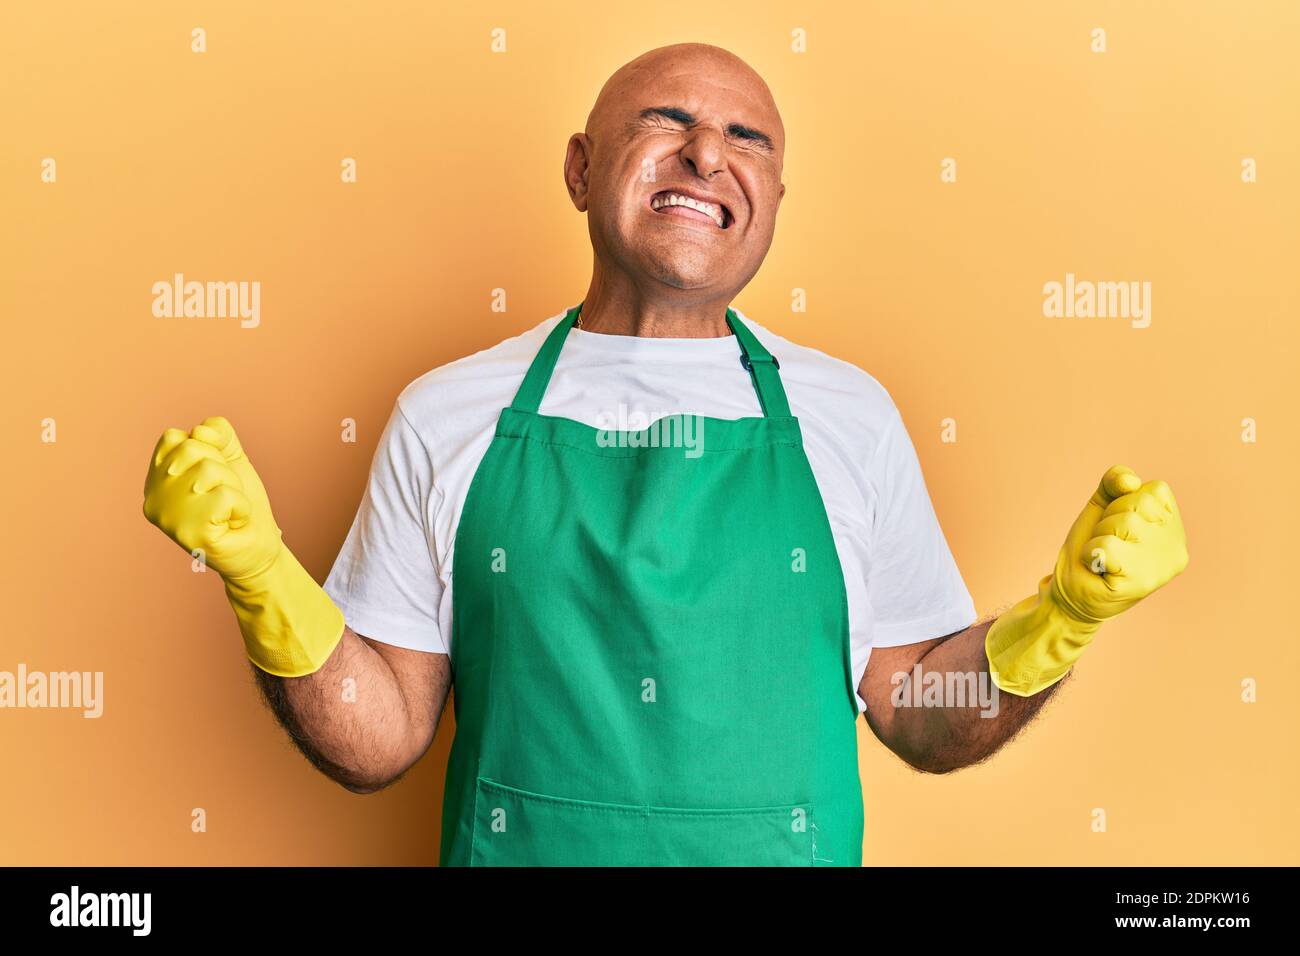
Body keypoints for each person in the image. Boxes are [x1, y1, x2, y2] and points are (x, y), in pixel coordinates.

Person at [141, 42, 1189, 866]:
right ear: (580, 167)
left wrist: (1060, 617)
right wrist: (261, 575)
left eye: (749, 138)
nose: (706, 153)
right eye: (668, 119)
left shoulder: (848, 415)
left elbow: (918, 708)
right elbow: (379, 741)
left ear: (770, 204)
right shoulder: (447, 411)